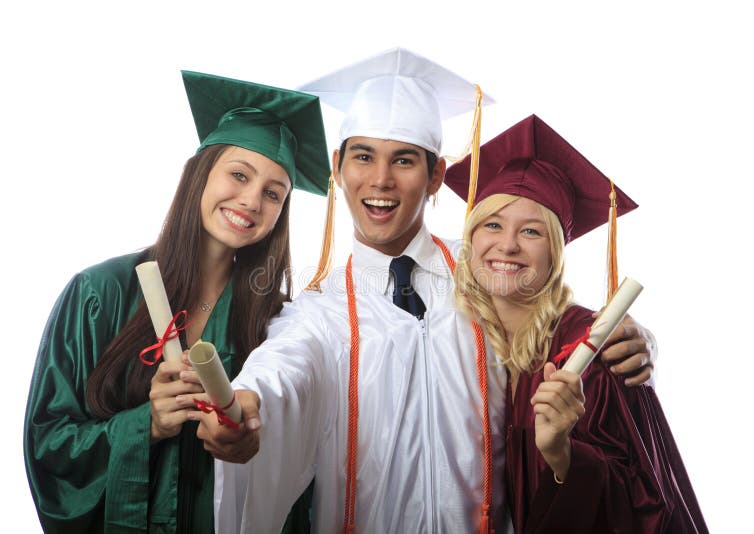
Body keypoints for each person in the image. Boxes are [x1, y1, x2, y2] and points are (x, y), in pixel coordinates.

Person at [201, 48, 656, 533]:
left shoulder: (486, 268)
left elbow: (554, 322)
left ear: (437, 174)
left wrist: (633, 337)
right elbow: (282, 368)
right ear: (338, 167)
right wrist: (249, 402)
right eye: (363, 157)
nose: (380, 180)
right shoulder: (320, 312)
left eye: (403, 160)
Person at [23, 71, 330, 533]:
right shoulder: (99, 294)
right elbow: (48, 444)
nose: (251, 201)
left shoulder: (281, 324)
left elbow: (300, 467)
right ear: (200, 174)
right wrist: (145, 425)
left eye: (273, 193)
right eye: (239, 175)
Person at [447, 114, 707, 532]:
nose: (507, 244)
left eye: (531, 231)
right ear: (470, 238)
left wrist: (564, 456)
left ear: (556, 251)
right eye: (492, 224)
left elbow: (646, 505)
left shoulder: (593, 353)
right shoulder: (454, 331)